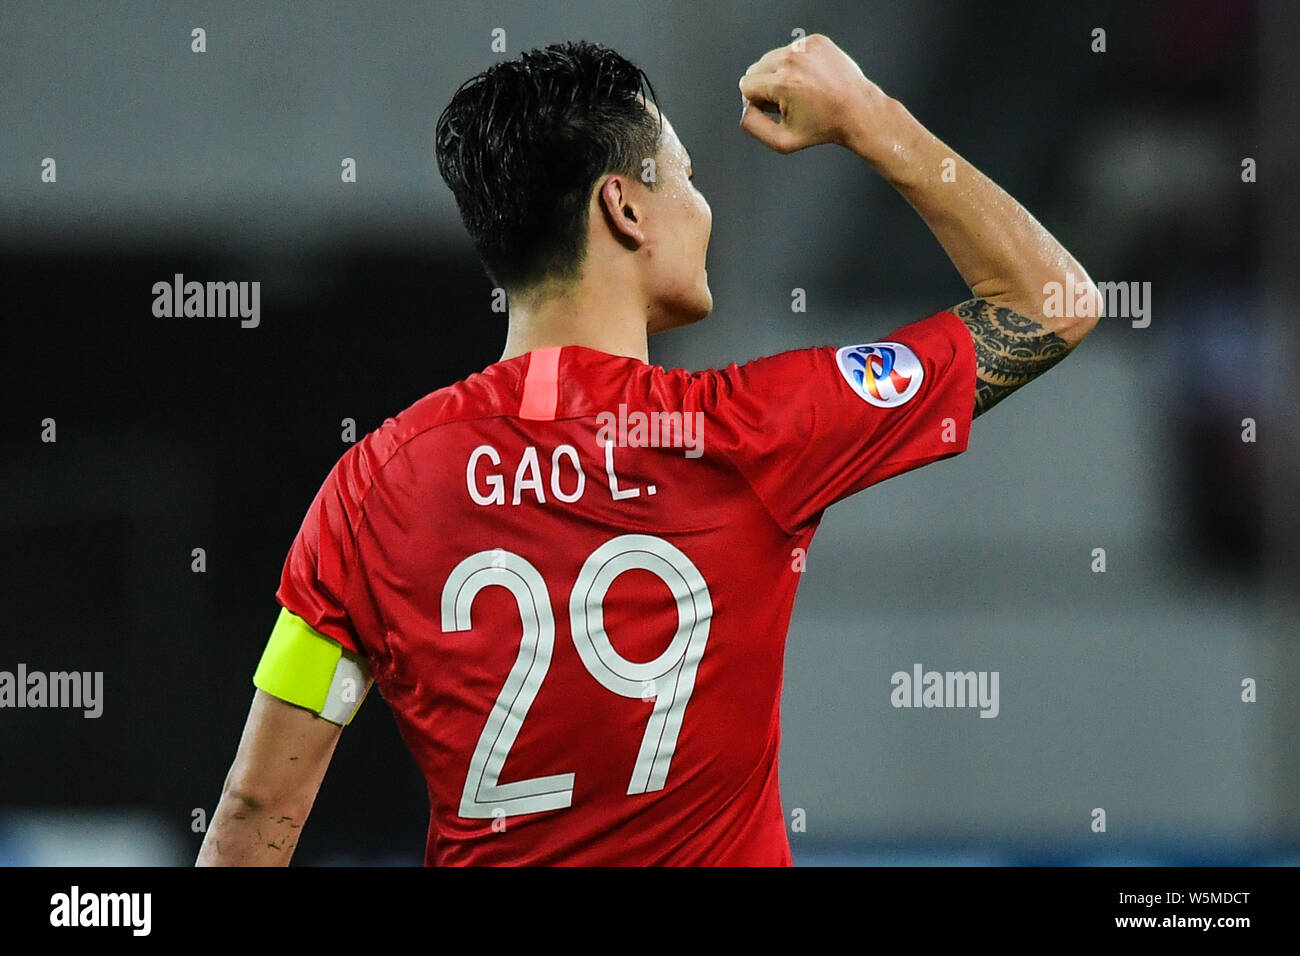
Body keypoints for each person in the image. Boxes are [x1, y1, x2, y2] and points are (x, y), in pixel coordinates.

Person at [197, 35, 1100, 866]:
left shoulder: (373, 484)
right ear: (623, 206)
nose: (704, 210)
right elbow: (1053, 302)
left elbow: (253, 806)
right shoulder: (756, 432)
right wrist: (869, 117)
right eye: (688, 177)